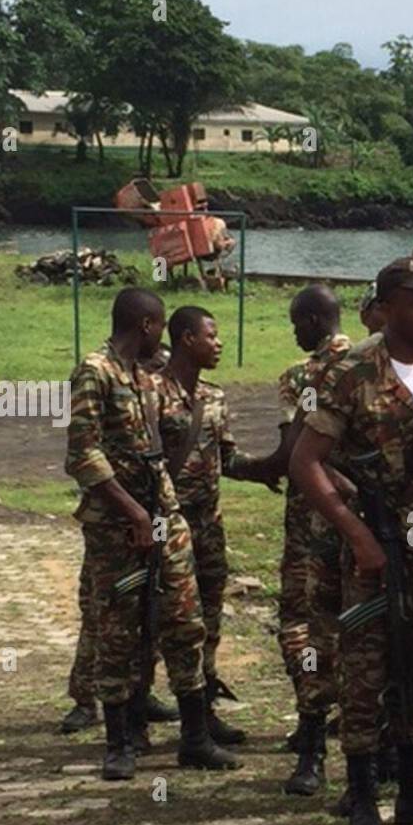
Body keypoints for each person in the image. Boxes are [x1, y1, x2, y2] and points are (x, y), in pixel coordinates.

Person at [289, 258, 413, 825]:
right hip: (372, 544)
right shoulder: (352, 370)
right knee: (363, 666)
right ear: (386, 308)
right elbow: (305, 461)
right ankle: (360, 791)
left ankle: (412, 785)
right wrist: (354, 534)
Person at [65, 287, 240, 780]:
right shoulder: (95, 371)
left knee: (185, 621)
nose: (163, 337)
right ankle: (120, 741)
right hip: (117, 527)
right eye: (160, 326)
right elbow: (82, 454)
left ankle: (194, 738)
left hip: (165, 515)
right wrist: (133, 514)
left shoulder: (146, 375)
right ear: (146, 325)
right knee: (118, 630)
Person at [156, 306, 279, 746]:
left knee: (207, 620)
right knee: (168, 621)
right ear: (188, 339)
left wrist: (269, 467)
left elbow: (228, 459)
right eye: (212, 335)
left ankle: (203, 711)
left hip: (208, 527)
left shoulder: (214, 397)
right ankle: (137, 717)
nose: (219, 342)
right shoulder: (151, 393)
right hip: (166, 528)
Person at [276, 285, 352, 794]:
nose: (293, 331)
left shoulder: (302, 377)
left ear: (311, 320)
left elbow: (291, 454)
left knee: (302, 625)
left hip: (313, 521)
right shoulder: (374, 361)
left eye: (295, 321)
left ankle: (310, 746)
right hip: (368, 520)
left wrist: (236, 466)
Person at [59, 560, 179, 734]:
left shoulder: (158, 532)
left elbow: (160, 533)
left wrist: (156, 536)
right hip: (108, 550)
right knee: (99, 621)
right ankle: (85, 700)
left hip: (148, 551)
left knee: (149, 616)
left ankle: (141, 694)